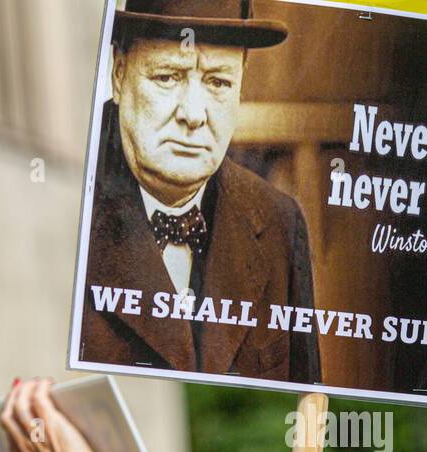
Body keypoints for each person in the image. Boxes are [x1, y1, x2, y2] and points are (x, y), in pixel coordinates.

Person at [78, 0, 320, 383]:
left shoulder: (280, 221)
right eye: (167, 77)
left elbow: (307, 400)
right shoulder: (64, 201)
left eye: (218, 82)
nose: (193, 114)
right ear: (119, 73)